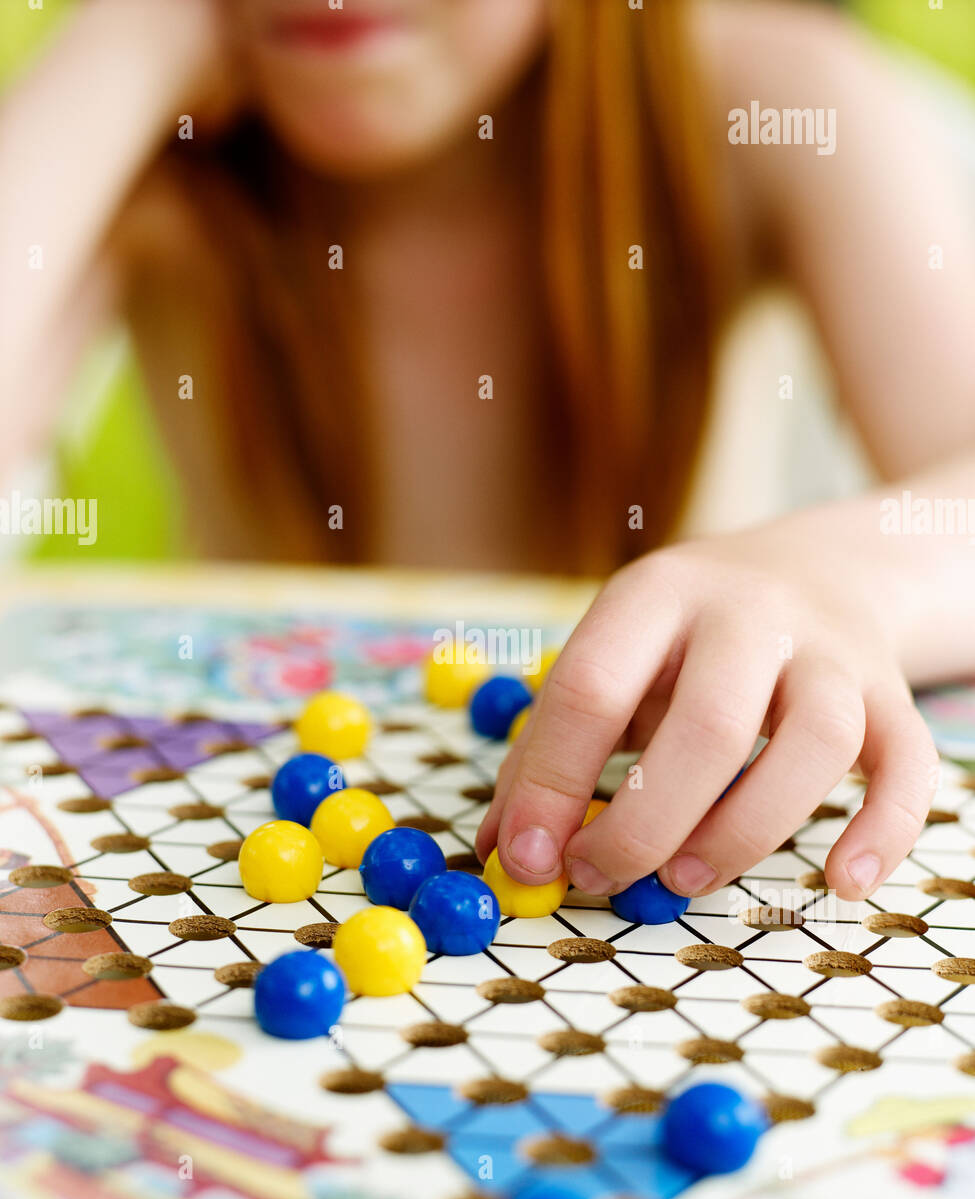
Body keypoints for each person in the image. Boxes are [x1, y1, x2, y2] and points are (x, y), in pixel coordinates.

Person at [2, 0, 974, 904]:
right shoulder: (165, 146)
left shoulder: (771, 96)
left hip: (628, 856)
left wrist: (825, 579)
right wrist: (119, 53)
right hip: (251, 851)